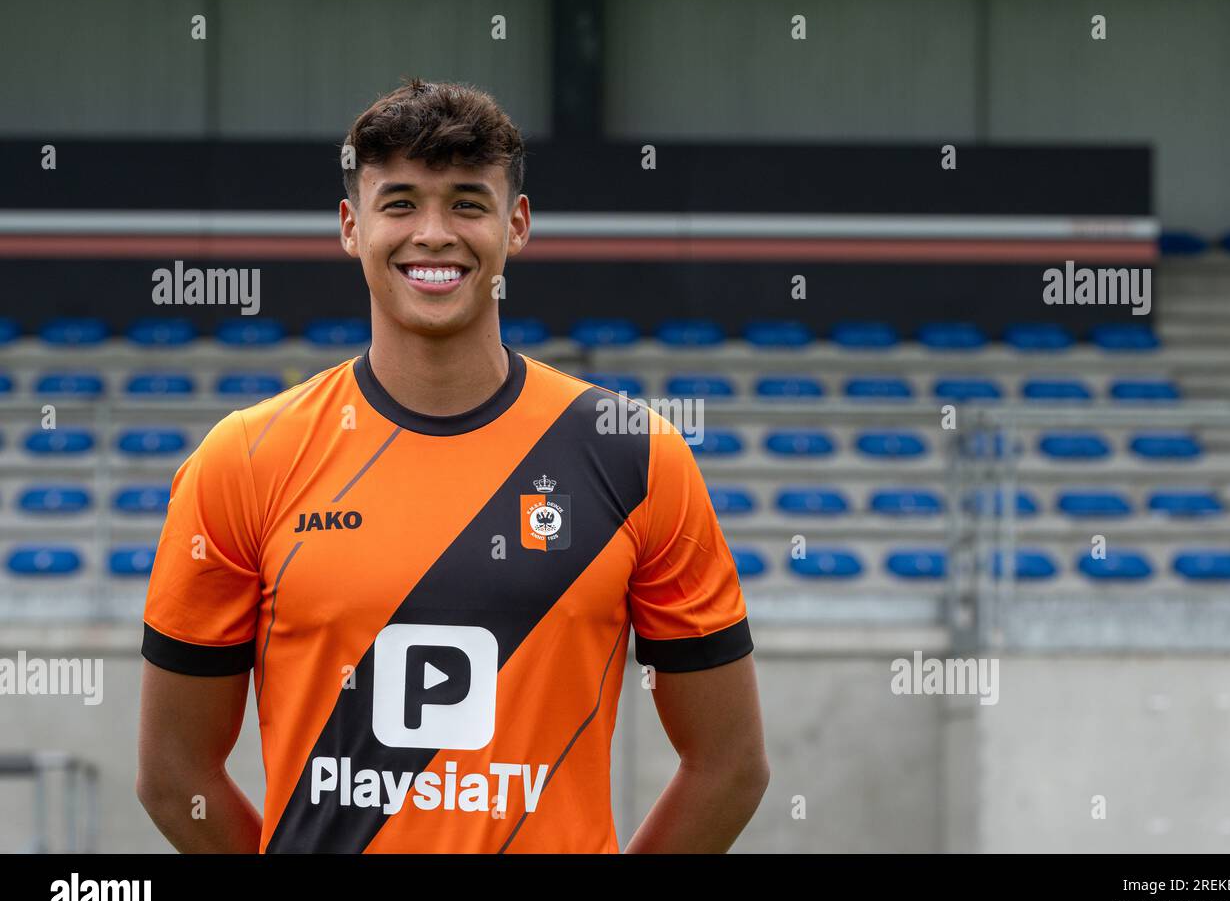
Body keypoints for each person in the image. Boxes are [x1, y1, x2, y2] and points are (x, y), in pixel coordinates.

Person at [136, 78, 768, 853]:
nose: (432, 232)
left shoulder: (631, 454)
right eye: (399, 202)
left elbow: (730, 766)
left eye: (467, 202)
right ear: (349, 225)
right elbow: (173, 775)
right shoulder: (243, 461)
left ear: (517, 225)